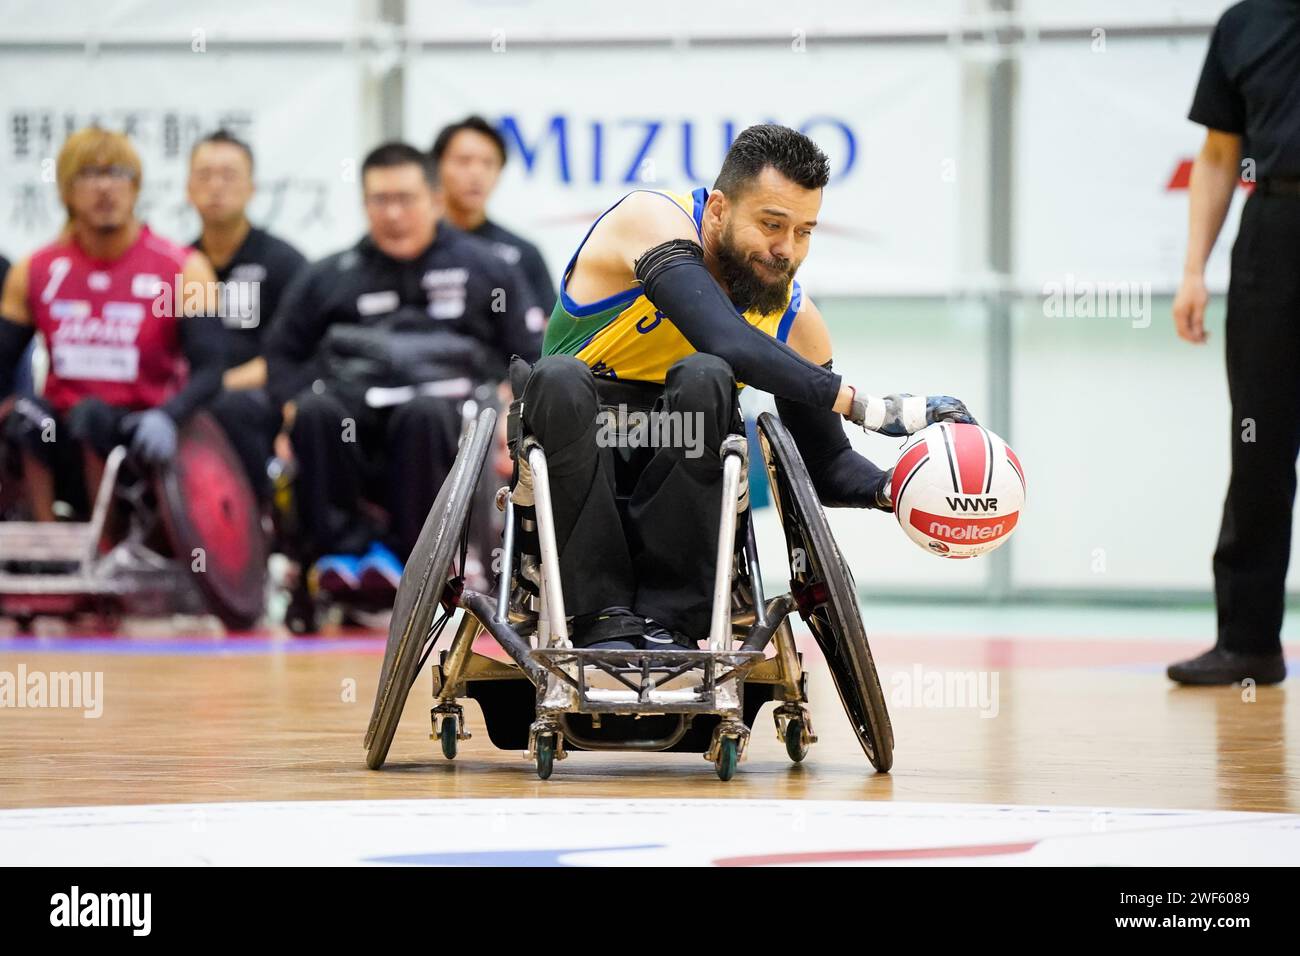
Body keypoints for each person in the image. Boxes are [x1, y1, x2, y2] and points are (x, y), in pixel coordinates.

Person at [521, 124, 975, 650]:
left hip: (683, 444)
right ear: (718, 209)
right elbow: (724, 336)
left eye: (804, 231)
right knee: (558, 377)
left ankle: (673, 620)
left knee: (705, 376)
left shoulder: (796, 318)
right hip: (578, 436)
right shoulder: (650, 219)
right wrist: (868, 406)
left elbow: (826, 466)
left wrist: (900, 487)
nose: (785, 248)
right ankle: (598, 615)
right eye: (771, 224)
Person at [264, 142, 542, 594]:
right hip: (353, 415)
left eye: (405, 199)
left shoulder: (486, 268)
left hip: (444, 417)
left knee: (423, 414)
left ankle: (409, 559)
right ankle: (340, 557)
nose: (392, 214)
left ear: (434, 198)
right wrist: (292, 404)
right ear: (364, 203)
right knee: (315, 413)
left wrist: (509, 413)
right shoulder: (330, 275)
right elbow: (281, 354)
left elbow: (528, 354)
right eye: (380, 200)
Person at [0, 126, 224, 520]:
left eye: (118, 174)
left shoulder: (185, 268)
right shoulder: (33, 271)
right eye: (89, 175)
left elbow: (212, 369)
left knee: (91, 414)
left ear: (136, 187)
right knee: (25, 414)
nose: (105, 188)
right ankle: (47, 544)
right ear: (66, 191)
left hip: (140, 435)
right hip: (61, 436)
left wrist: (167, 417)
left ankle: (105, 543)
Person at [1168, 1, 1297, 685]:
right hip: (1273, 229)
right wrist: (1194, 270)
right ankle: (1248, 641)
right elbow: (1220, 152)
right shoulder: (1245, 24)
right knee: (1259, 446)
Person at [187, 129, 307, 501]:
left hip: (259, 396)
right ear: (188, 188)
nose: (216, 187)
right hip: (192, 392)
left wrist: (215, 385)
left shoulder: (284, 262)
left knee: (230, 407)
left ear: (252, 188)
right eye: (204, 176)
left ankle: (253, 522)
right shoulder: (178, 264)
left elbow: (296, 353)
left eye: (228, 175)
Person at [432, 115, 557, 312]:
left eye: (488, 163)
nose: (476, 173)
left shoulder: (522, 254)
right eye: (464, 161)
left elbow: (549, 331)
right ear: (436, 167)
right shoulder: (413, 248)